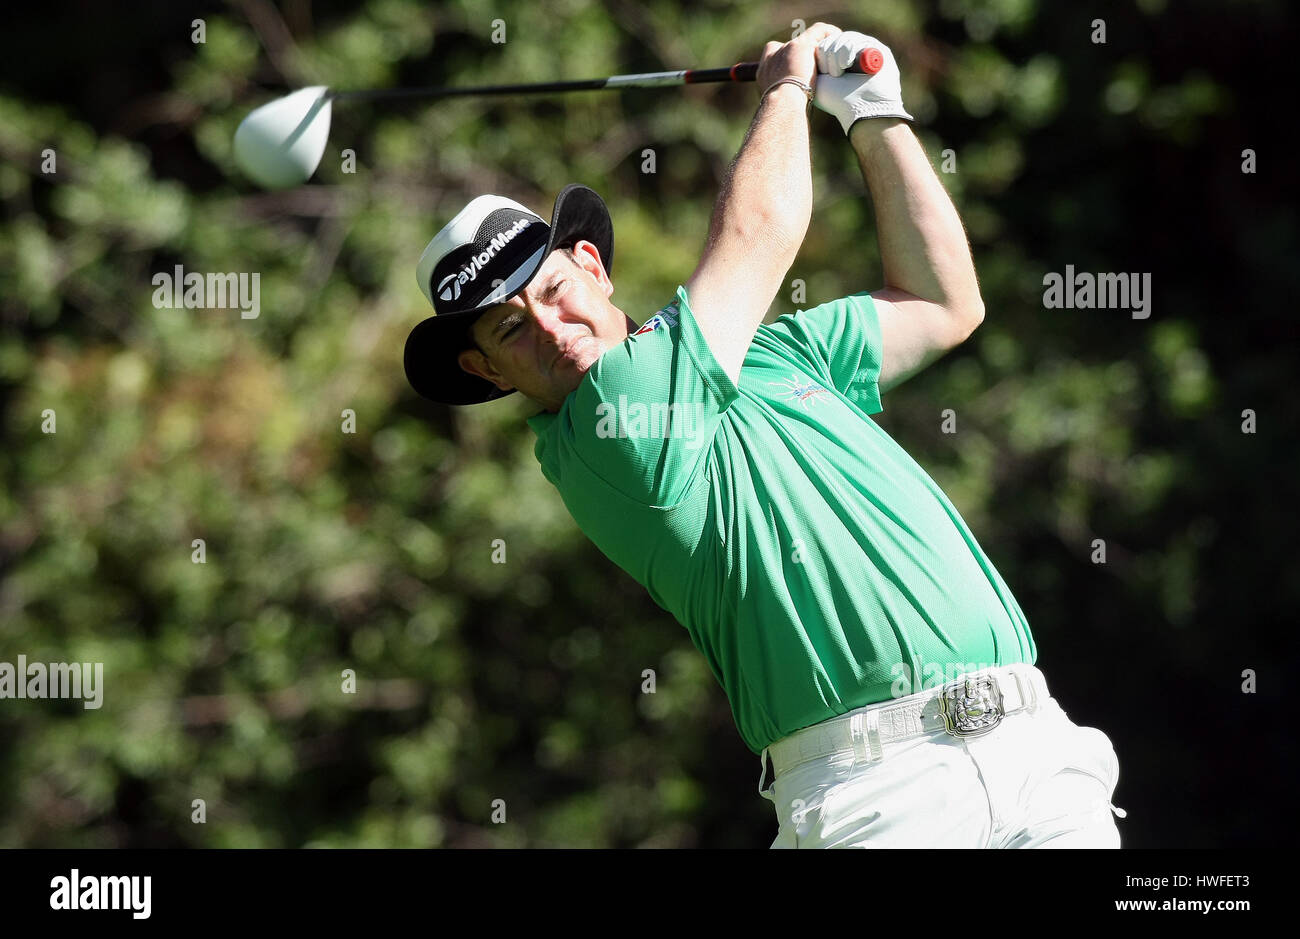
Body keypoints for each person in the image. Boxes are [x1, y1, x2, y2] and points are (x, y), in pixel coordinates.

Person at [403, 23, 1127, 848]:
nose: (549, 326)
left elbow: (942, 303)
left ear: (593, 267)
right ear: (487, 370)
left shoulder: (771, 352)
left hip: (1035, 749)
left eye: (554, 289)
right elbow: (759, 232)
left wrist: (874, 116)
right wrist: (787, 89)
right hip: (875, 795)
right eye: (509, 329)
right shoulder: (603, 429)